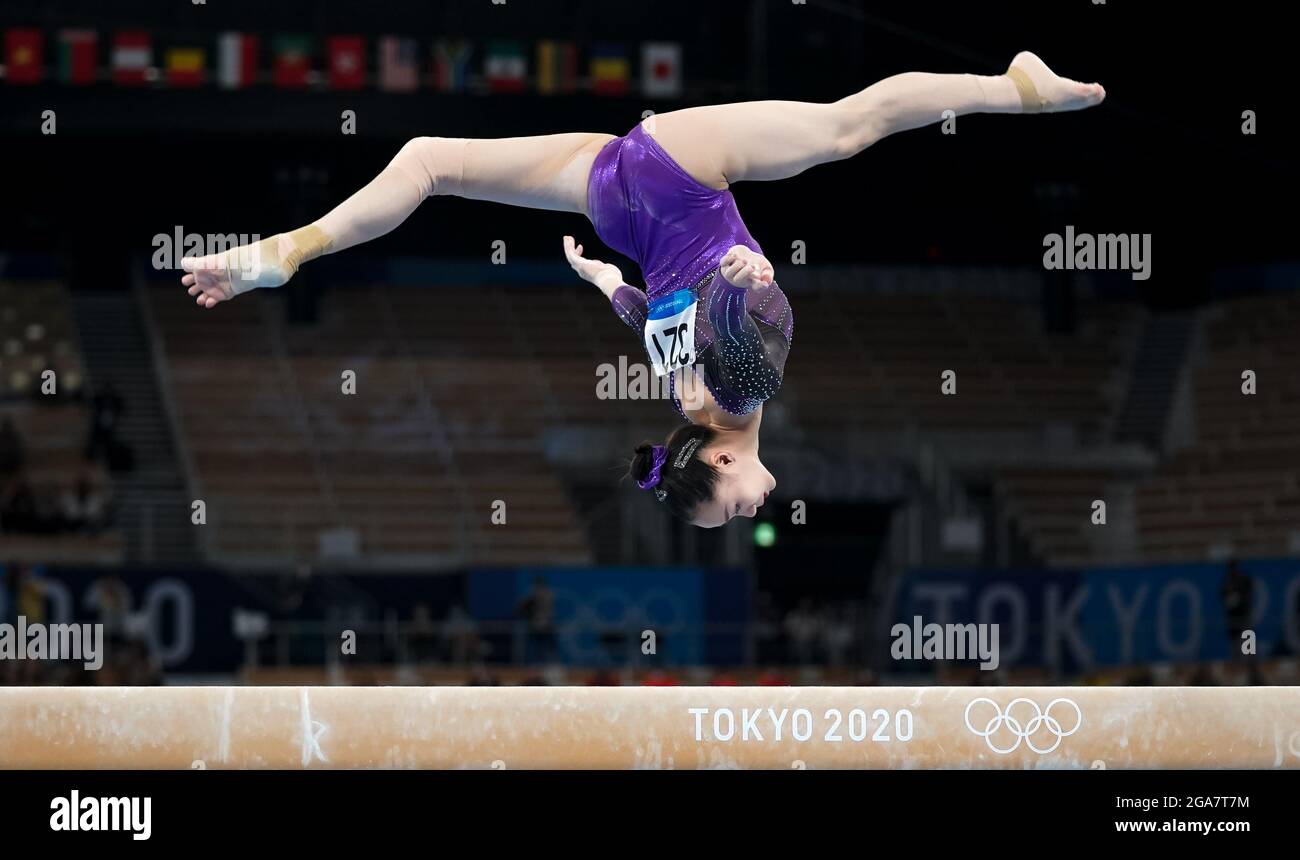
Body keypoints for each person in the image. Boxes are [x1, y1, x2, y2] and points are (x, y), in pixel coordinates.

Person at [179, 52, 1104, 527]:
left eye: (736, 509)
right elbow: (668, 321)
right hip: (619, 208)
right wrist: (608, 283)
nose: (754, 512)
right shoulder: (687, 404)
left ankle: (1010, 87)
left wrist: (755, 278)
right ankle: (293, 247)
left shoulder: (738, 399)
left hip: (677, 182)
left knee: (843, 130)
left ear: (727, 465)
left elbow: (760, 327)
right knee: (430, 163)